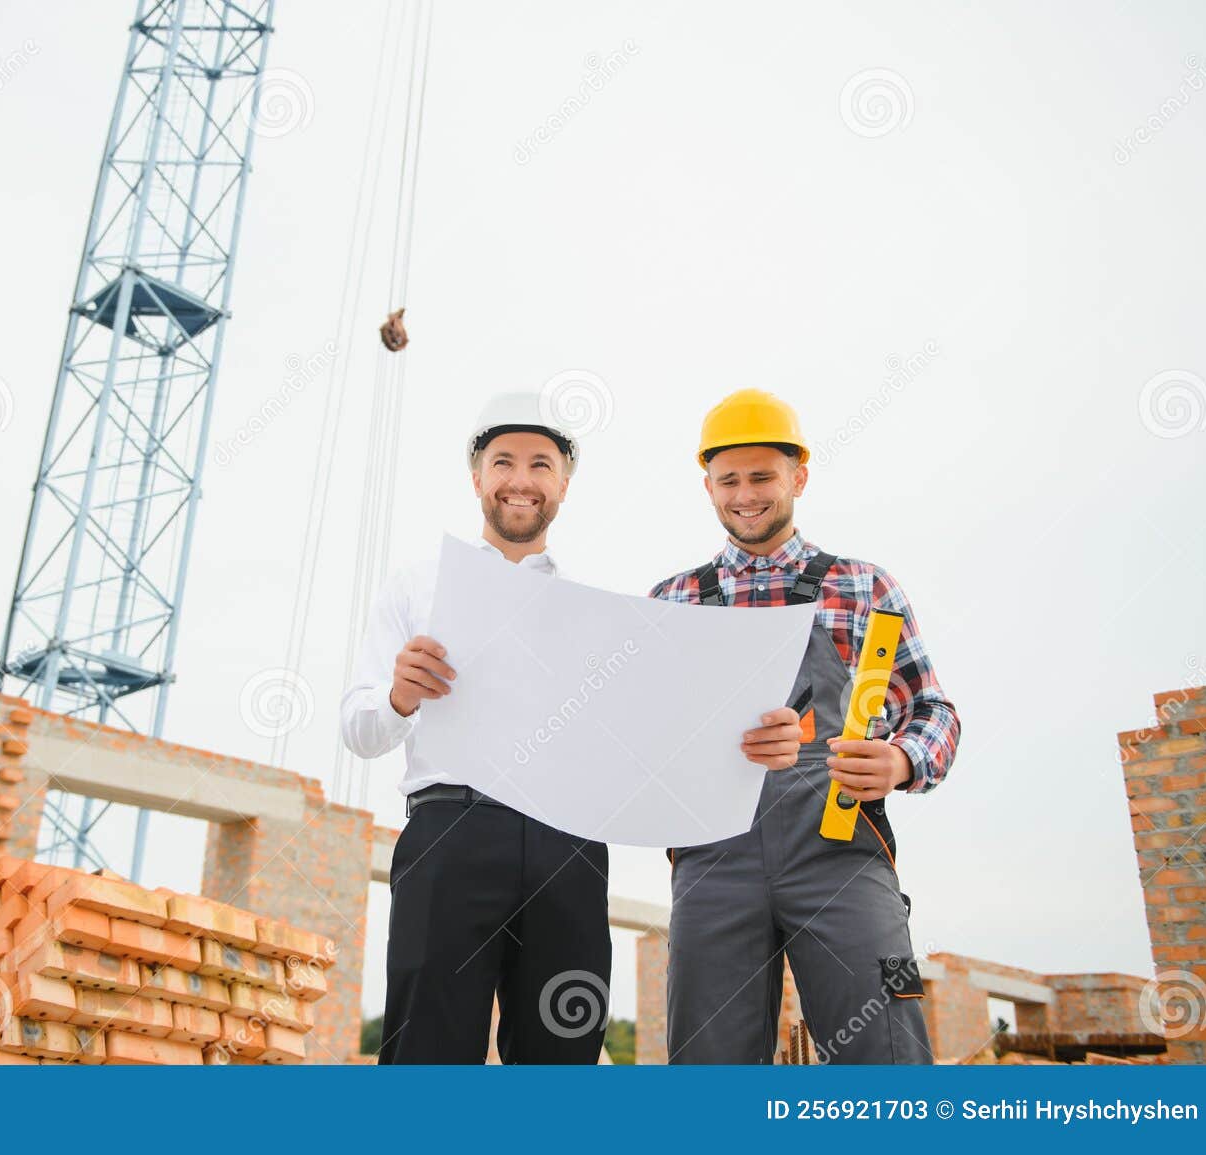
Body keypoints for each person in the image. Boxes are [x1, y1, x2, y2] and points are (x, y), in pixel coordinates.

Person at [340, 391, 803, 1064]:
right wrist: (398, 696)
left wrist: (759, 742)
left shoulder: (601, 607)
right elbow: (360, 731)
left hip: (571, 847)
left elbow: (662, 731)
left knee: (562, 1050)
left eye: (540, 464)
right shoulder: (417, 585)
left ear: (563, 484)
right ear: (477, 477)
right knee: (428, 1043)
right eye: (503, 462)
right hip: (451, 835)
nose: (521, 479)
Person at [650, 388, 961, 1064]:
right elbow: (640, 740)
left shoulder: (864, 586)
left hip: (846, 858)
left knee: (891, 1050)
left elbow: (933, 711)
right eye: (728, 479)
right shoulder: (672, 601)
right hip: (712, 867)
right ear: (707, 485)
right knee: (707, 1067)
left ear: (799, 475)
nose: (746, 493)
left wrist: (901, 760)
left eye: (763, 475)